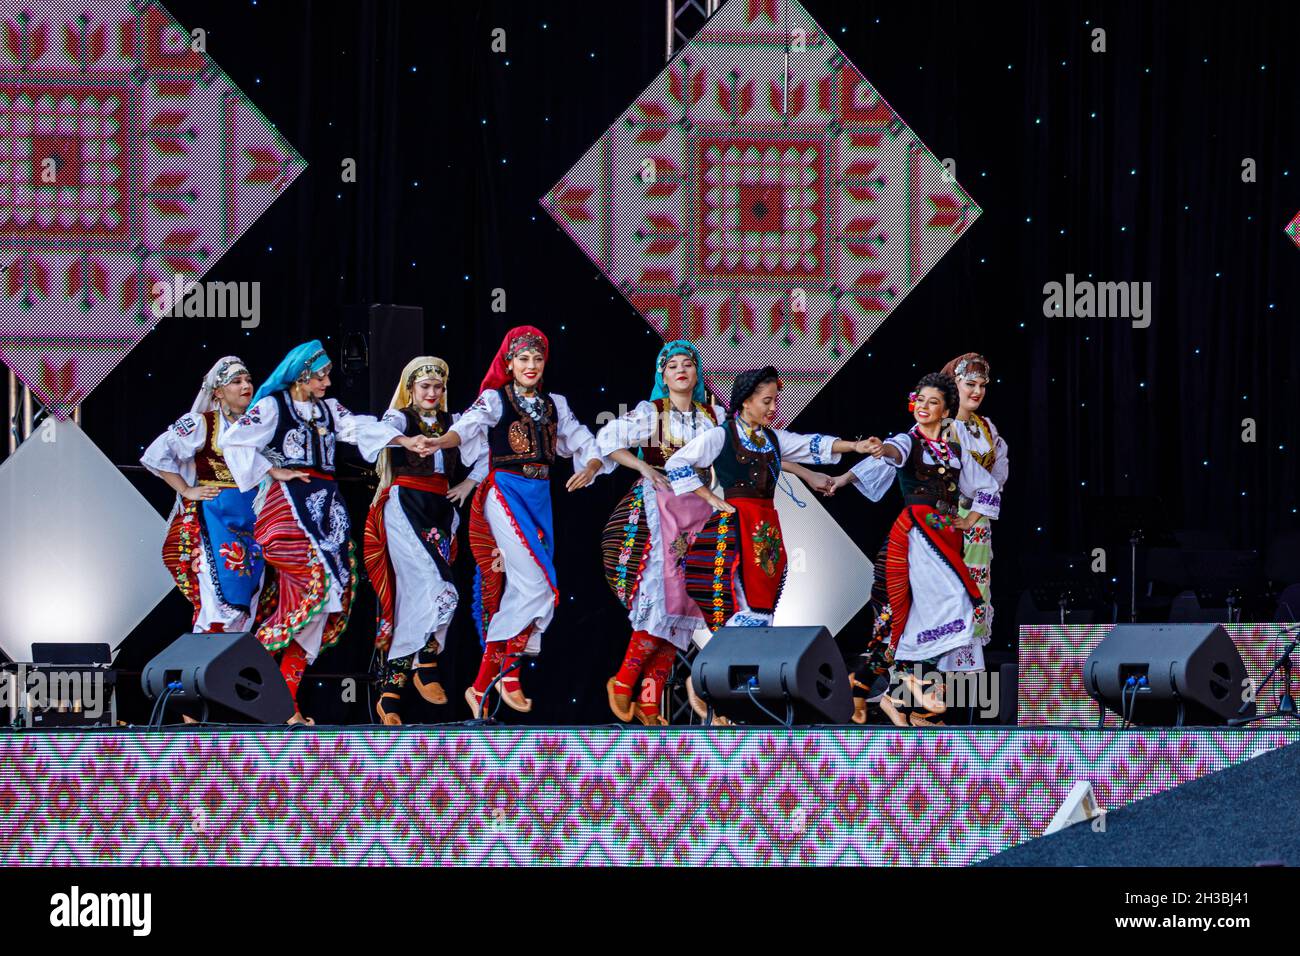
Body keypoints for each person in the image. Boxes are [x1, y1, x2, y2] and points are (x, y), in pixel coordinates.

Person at [224, 340, 417, 724]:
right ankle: (236, 666)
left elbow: (358, 427)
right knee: (314, 589)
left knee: (327, 603)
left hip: (327, 510)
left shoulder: (329, 410)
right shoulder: (272, 406)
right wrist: (272, 470)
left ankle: (285, 704)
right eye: (322, 375)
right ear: (301, 375)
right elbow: (234, 440)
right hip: (288, 510)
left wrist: (402, 439)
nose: (328, 381)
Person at [426, 326, 606, 717]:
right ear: (509, 363)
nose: (530, 365)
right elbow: (466, 428)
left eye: (537, 359)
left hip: (539, 499)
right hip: (504, 493)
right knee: (538, 583)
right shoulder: (495, 399)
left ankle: (481, 685)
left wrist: (591, 465)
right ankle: (509, 674)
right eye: (523, 359)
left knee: (531, 588)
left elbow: (583, 441)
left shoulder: (555, 403)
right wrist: (441, 442)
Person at [828, 372, 1001, 725]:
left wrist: (969, 521)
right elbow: (893, 452)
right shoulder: (909, 442)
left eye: (932, 402)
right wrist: (882, 448)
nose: (923, 407)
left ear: (946, 411)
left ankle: (882, 694)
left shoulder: (955, 452)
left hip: (947, 540)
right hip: (916, 540)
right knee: (951, 606)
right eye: (919, 400)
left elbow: (986, 486)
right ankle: (900, 697)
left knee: (911, 625)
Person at [665, 366, 870, 634]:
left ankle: (755, 661)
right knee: (739, 590)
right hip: (737, 524)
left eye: (775, 400)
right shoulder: (722, 435)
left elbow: (810, 445)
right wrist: (711, 498)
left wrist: (855, 446)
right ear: (746, 401)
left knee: (765, 586)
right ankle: (736, 660)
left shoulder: (771, 438)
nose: (774, 407)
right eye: (767, 401)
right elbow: (677, 462)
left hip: (766, 523)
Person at [594, 340, 730, 725]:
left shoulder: (714, 414)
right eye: (673, 366)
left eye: (688, 364)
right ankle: (622, 683)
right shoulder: (650, 413)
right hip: (663, 508)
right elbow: (607, 440)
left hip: (700, 509)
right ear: (662, 375)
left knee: (685, 604)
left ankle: (651, 698)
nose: (681, 370)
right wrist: (642, 468)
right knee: (661, 594)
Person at [361, 357, 486, 725]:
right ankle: (426, 664)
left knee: (418, 600)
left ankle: (390, 693)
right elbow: (375, 434)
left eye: (438, 387)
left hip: (440, 510)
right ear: (411, 389)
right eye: (424, 387)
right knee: (440, 587)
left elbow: (487, 451)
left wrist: (468, 483)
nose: (432, 393)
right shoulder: (401, 417)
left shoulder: (454, 423)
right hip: (405, 506)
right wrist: (404, 440)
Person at [142, 356, 267, 633]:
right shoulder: (202, 424)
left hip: (252, 520)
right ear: (218, 392)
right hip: (215, 518)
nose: (246, 385)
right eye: (236, 382)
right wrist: (186, 489)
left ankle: (230, 665)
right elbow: (157, 453)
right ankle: (205, 663)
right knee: (220, 596)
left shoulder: (258, 424)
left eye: (248, 380)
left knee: (250, 594)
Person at [939, 353, 1008, 666]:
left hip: (977, 524)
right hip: (947, 520)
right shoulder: (942, 428)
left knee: (973, 594)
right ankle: (924, 696)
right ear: (955, 384)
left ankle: (953, 695)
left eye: (982, 385)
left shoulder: (988, 429)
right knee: (946, 596)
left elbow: (997, 478)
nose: (977, 391)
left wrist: (975, 516)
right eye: (970, 384)